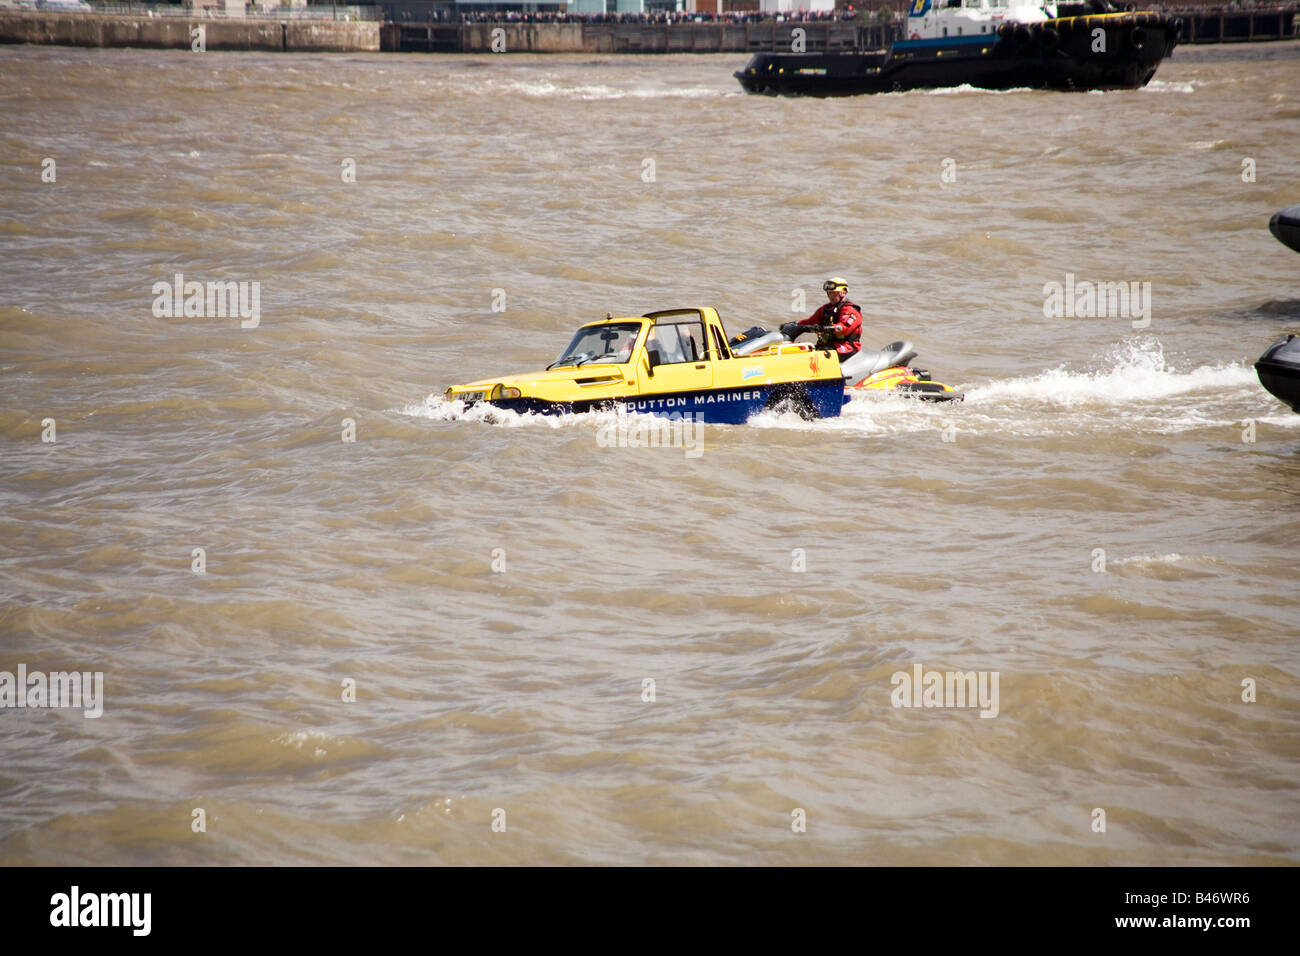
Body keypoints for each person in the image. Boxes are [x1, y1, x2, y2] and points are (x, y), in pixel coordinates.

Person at [781, 277, 863, 359]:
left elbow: (844, 328)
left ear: (843, 293)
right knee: (805, 350)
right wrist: (794, 324)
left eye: (834, 293)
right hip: (828, 346)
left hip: (847, 347)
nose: (830, 296)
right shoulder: (825, 309)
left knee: (821, 354)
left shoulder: (850, 310)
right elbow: (810, 322)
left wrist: (824, 328)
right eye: (829, 293)